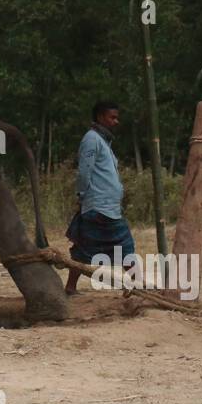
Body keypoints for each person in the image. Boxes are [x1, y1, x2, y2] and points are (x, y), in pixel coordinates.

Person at [65, 100, 137, 294]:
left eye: (117, 118)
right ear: (100, 117)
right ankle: (137, 284)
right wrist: (82, 195)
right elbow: (84, 172)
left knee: (82, 248)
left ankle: (70, 287)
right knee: (125, 245)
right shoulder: (91, 139)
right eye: (112, 117)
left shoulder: (102, 141)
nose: (116, 121)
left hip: (104, 206)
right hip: (100, 206)